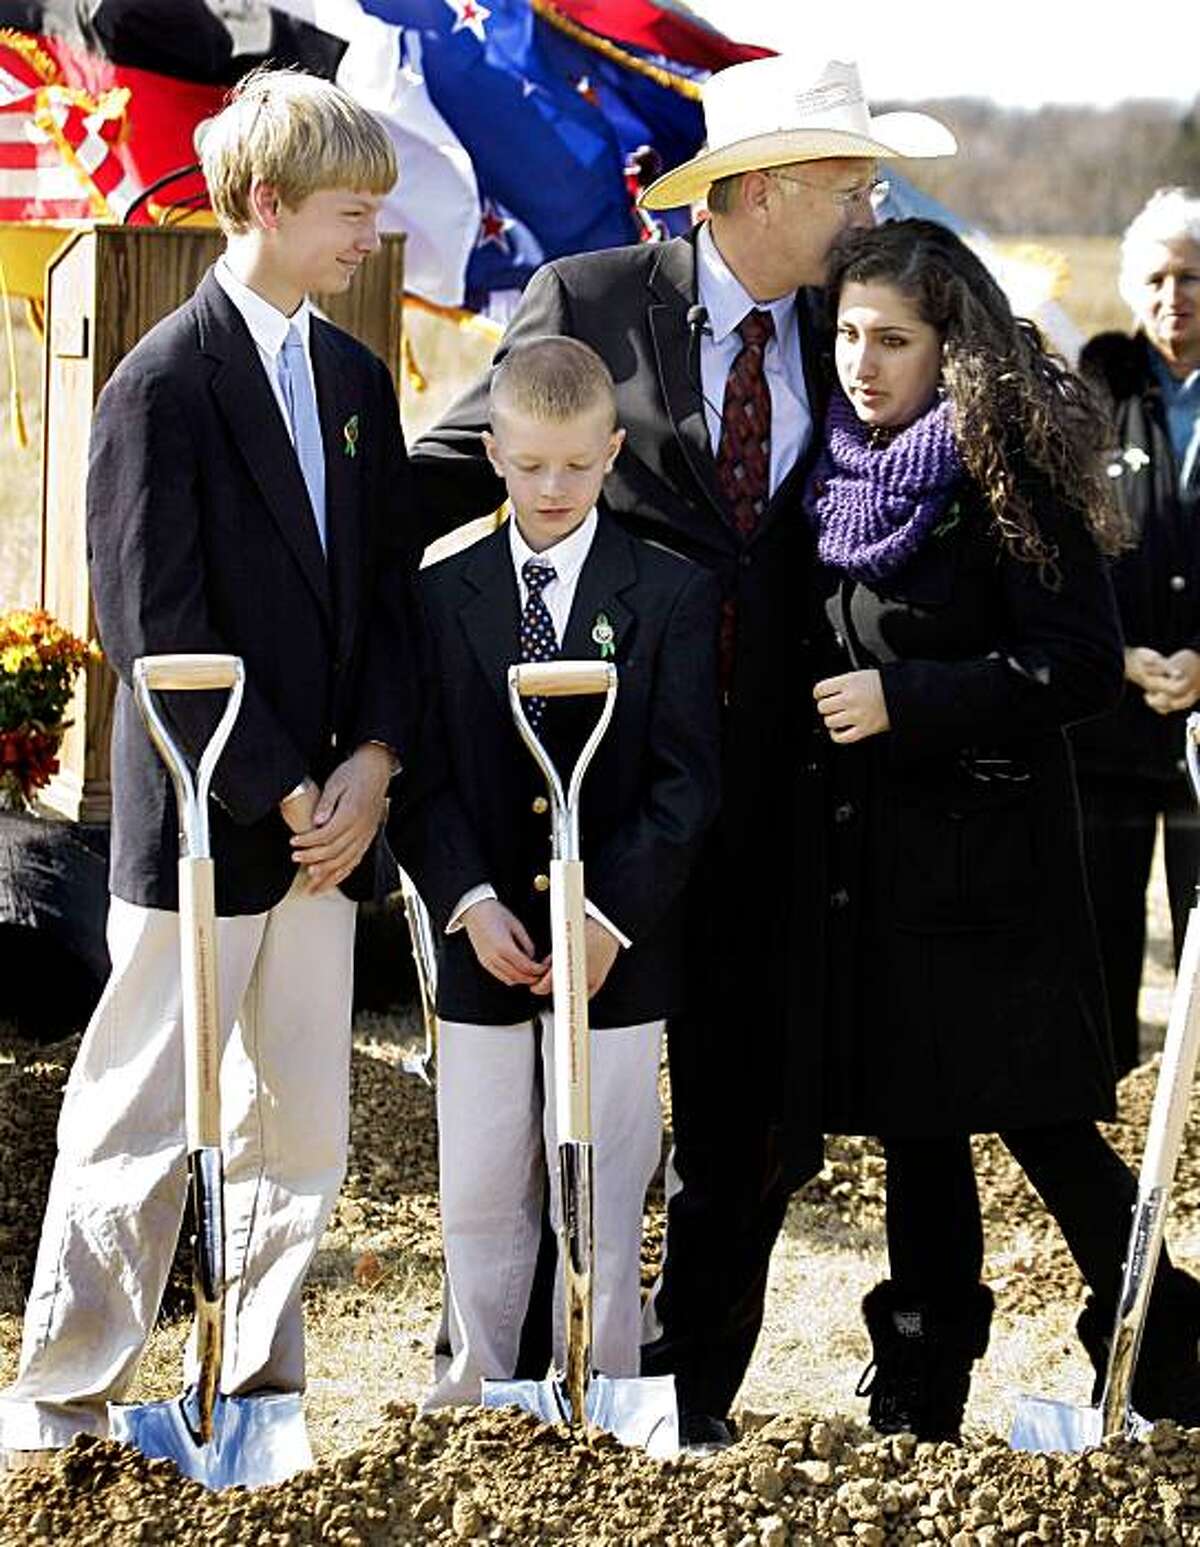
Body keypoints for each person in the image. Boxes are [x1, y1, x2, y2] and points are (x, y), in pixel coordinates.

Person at [410, 54, 955, 1448]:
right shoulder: (591, 304)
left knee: (749, 1120)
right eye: (847, 180)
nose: (869, 202)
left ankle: (682, 1388)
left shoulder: (861, 331)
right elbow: (461, 459)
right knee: (560, 1102)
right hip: (592, 793)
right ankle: (527, 1373)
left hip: (788, 799)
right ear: (760, 191)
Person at [0, 68, 421, 1465]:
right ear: (265, 204)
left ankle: (255, 1393)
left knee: (295, 1126)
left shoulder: (357, 381)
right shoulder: (162, 383)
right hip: (201, 822)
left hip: (326, 837)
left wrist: (368, 763)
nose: (371, 235)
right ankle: (61, 1394)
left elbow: (385, 604)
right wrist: (281, 789)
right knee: (136, 1117)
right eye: (351, 212)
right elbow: (148, 617)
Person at [799, 216, 1200, 1441]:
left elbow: (1073, 663)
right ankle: (923, 1375)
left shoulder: (1004, 469)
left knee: (1041, 1121)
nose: (865, 363)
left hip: (996, 866)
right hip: (879, 864)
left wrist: (905, 697)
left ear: (951, 345)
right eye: (852, 336)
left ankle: (1168, 1345)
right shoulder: (835, 466)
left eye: (895, 340)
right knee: (916, 1127)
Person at [392, 336, 720, 1406]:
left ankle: (604, 1393)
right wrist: (471, 901)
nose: (550, 488)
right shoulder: (444, 587)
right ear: (492, 450)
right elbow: (422, 773)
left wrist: (609, 916)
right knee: (485, 1188)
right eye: (529, 463)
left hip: (615, 957)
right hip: (484, 948)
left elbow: (687, 783)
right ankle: (477, 1392)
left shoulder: (666, 590)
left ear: (612, 452)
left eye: (576, 466)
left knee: (608, 1189)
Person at [1072, 188, 1200, 1077]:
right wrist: (1107, 651)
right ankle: (1102, 1126)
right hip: (1109, 720)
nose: (1174, 295)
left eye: (1193, 276)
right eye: (1156, 276)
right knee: (1101, 936)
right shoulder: (1096, 389)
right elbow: (1058, 549)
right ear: (1129, 285)